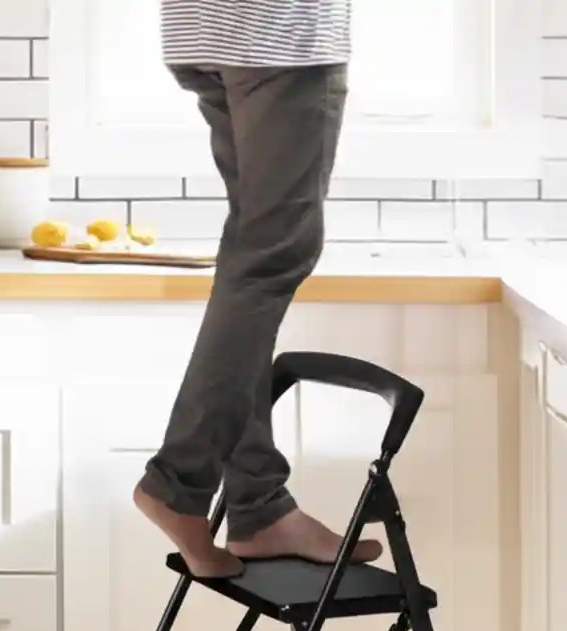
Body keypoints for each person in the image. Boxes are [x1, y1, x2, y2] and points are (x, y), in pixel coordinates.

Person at [133, 0, 383, 578]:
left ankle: (257, 503)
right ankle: (180, 481)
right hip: (280, 35)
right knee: (274, 255)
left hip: (209, 29)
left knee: (251, 255)